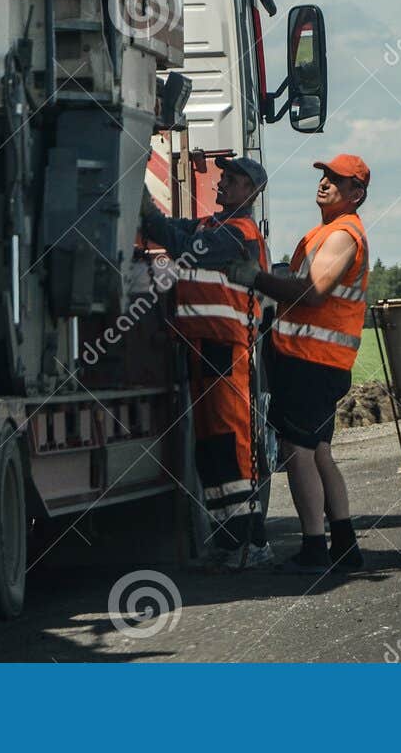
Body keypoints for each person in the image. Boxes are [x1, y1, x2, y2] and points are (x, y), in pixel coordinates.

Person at [140, 156, 268, 570]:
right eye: (224, 176)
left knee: (232, 445)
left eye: (233, 179)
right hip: (204, 346)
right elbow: (172, 231)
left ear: (250, 191)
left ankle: (250, 543)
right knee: (212, 448)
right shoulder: (211, 227)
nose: (223, 182)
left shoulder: (238, 234)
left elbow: (175, 241)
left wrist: (142, 200)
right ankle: (230, 541)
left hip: (226, 347)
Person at [246, 154, 371, 574]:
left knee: (297, 452)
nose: (326, 183)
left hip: (312, 363)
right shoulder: (323, 233)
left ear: (357, 194)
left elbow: (314, 293)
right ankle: (345, 546)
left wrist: (254, 278)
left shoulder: (342, 234)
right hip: (316, 361)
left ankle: (315, 548)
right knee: (318, 453)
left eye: (338, 180)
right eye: (324, 175)